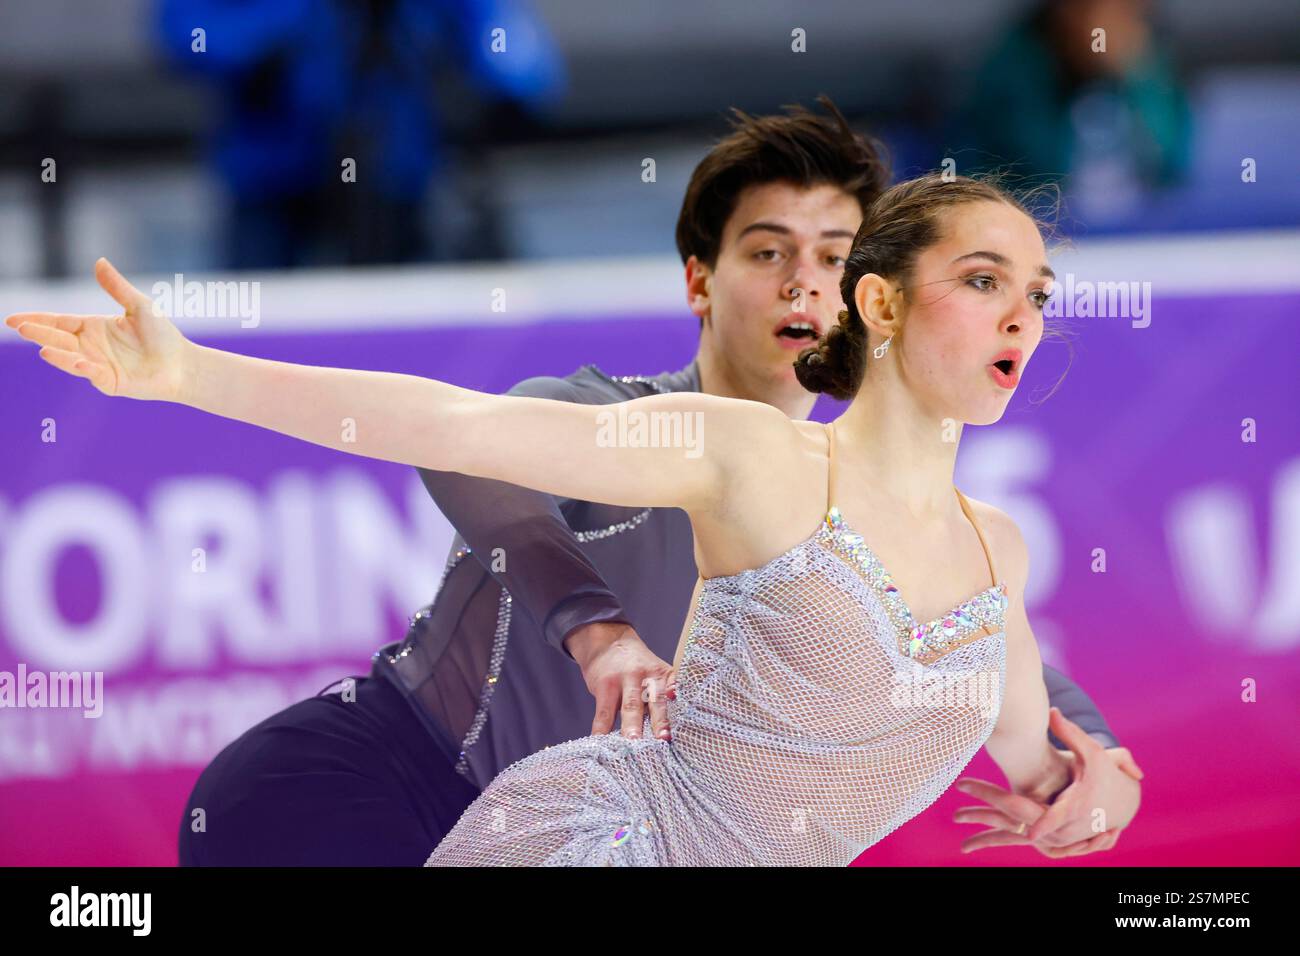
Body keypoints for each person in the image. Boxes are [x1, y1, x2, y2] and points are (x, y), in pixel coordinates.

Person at [5, 168, 1143, 865]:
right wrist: (193, 372)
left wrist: (1096, 789)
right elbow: (458, 430)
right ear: (883, 302)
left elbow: (1030, 744)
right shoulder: (753, 455)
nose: (1023, 316)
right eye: (986, 278)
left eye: (1037, 292)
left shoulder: (1001, 548)